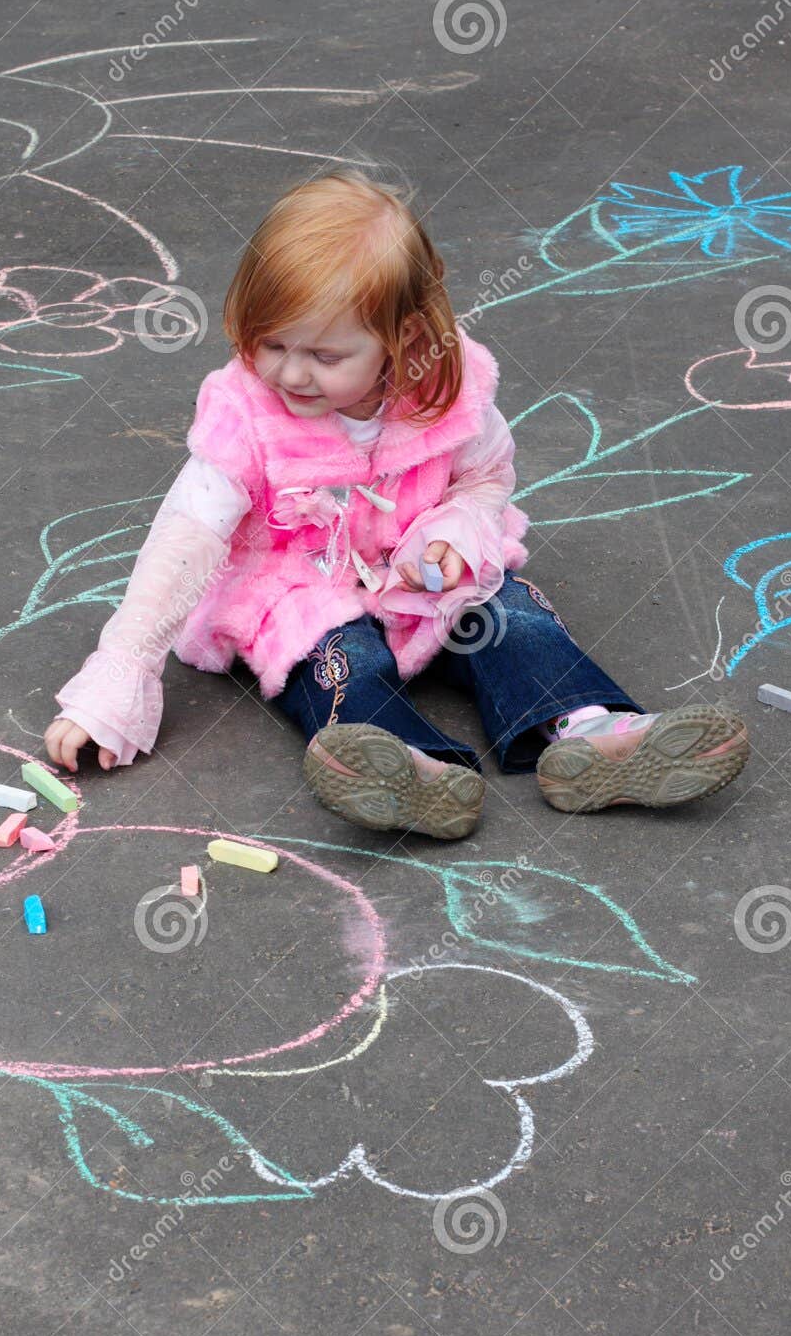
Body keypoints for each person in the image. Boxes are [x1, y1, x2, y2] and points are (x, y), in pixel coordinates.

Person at [44, 167, 748, 840]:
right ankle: (407, 768)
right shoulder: (246, 416)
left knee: (510, 615)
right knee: (337, 657)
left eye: (323, 356)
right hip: (296, 584)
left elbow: (485, 478)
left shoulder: (444, 389)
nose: (289, 372)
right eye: (271, 343)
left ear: (401, 338)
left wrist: (457, 527)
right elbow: (186, 538)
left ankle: (594, 733)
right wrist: (121, 673)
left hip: (417, 574)